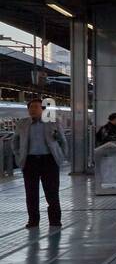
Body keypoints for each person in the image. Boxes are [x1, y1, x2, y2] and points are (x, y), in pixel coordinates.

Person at [15, 97, 66, 230]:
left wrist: (60, 157)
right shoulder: (22, 123)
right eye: (31, 107)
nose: (33, 110)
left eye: (36, 107)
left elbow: (63, 141)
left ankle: (55, 221)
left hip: (49, 161)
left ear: (43, 110)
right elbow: (14, 142)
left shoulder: (53, 122)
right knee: (31, 193)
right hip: (30, 162)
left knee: (52, 192)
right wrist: (19, 157)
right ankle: (33, 221)